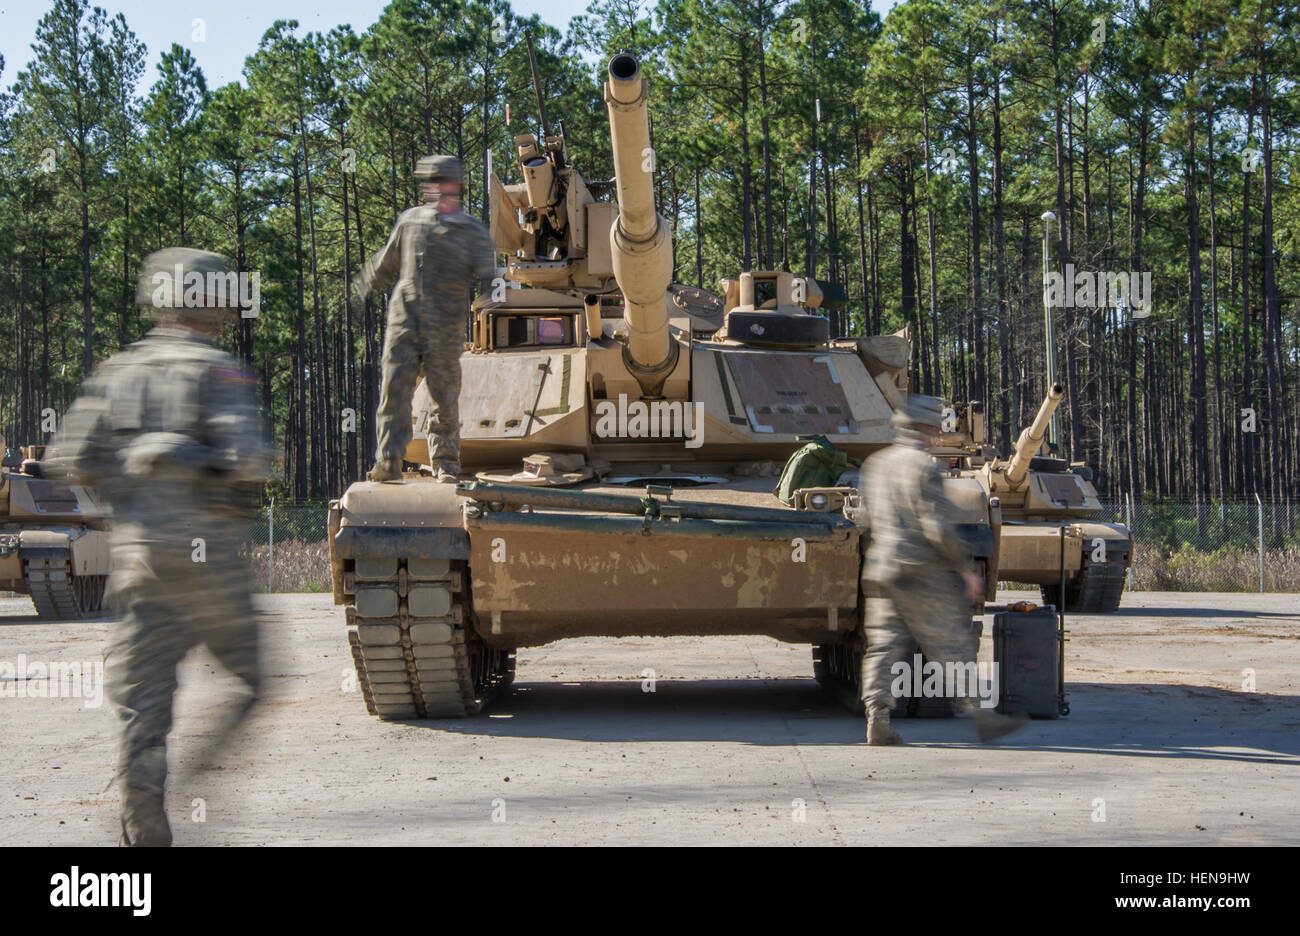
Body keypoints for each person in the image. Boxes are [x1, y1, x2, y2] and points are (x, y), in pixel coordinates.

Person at [45, 248, 272, 845]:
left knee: (141, 709)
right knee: (254, 683)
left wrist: (132, 478)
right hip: (208, 562)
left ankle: (144, 838)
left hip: (140, 560)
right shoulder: (219, 370)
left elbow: (66, 459)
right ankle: (199, 781)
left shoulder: (119, 370)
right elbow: (250, 459)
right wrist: (190, 460)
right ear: (216, 300)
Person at [857, 394, 1023, 745]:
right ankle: (980, 718)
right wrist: (965, 568)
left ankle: (877, 719)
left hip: (882, 567)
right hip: (920, 569)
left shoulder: (875, 464)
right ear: (927, 429)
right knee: (950, 644)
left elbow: (865, 520)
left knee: (883, 646)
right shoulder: (924, 466)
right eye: (935, 428)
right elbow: (936, 526)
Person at [359, 155, 496, 483]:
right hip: (404, 321)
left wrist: (491, 297)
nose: (439, 190)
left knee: (444, 399)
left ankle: (446, 465)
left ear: (457, 186)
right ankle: (389, 461)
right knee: (394, 392)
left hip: (446, 330)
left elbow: (490, 276)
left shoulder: (473, 232)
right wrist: (365, 283)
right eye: (433, 184)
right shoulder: (411, 222)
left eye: (446, 183)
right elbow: (386, 263)